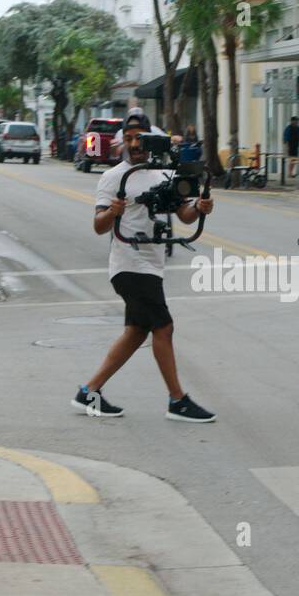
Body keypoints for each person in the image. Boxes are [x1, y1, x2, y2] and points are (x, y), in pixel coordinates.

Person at [71, 109, 216, 423]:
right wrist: (113, 211)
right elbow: (98, 226)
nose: (135, 144)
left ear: (150, 139)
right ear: (123, 141)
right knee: (164, 327)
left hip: (151, 264)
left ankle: (89, 392)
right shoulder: (113, 177)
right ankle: (177, 400)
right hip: (129, 264)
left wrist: (199, 206)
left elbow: (184, 215)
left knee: (137, 332)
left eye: (139, 138)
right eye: (129, 139)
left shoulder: (163, 174)